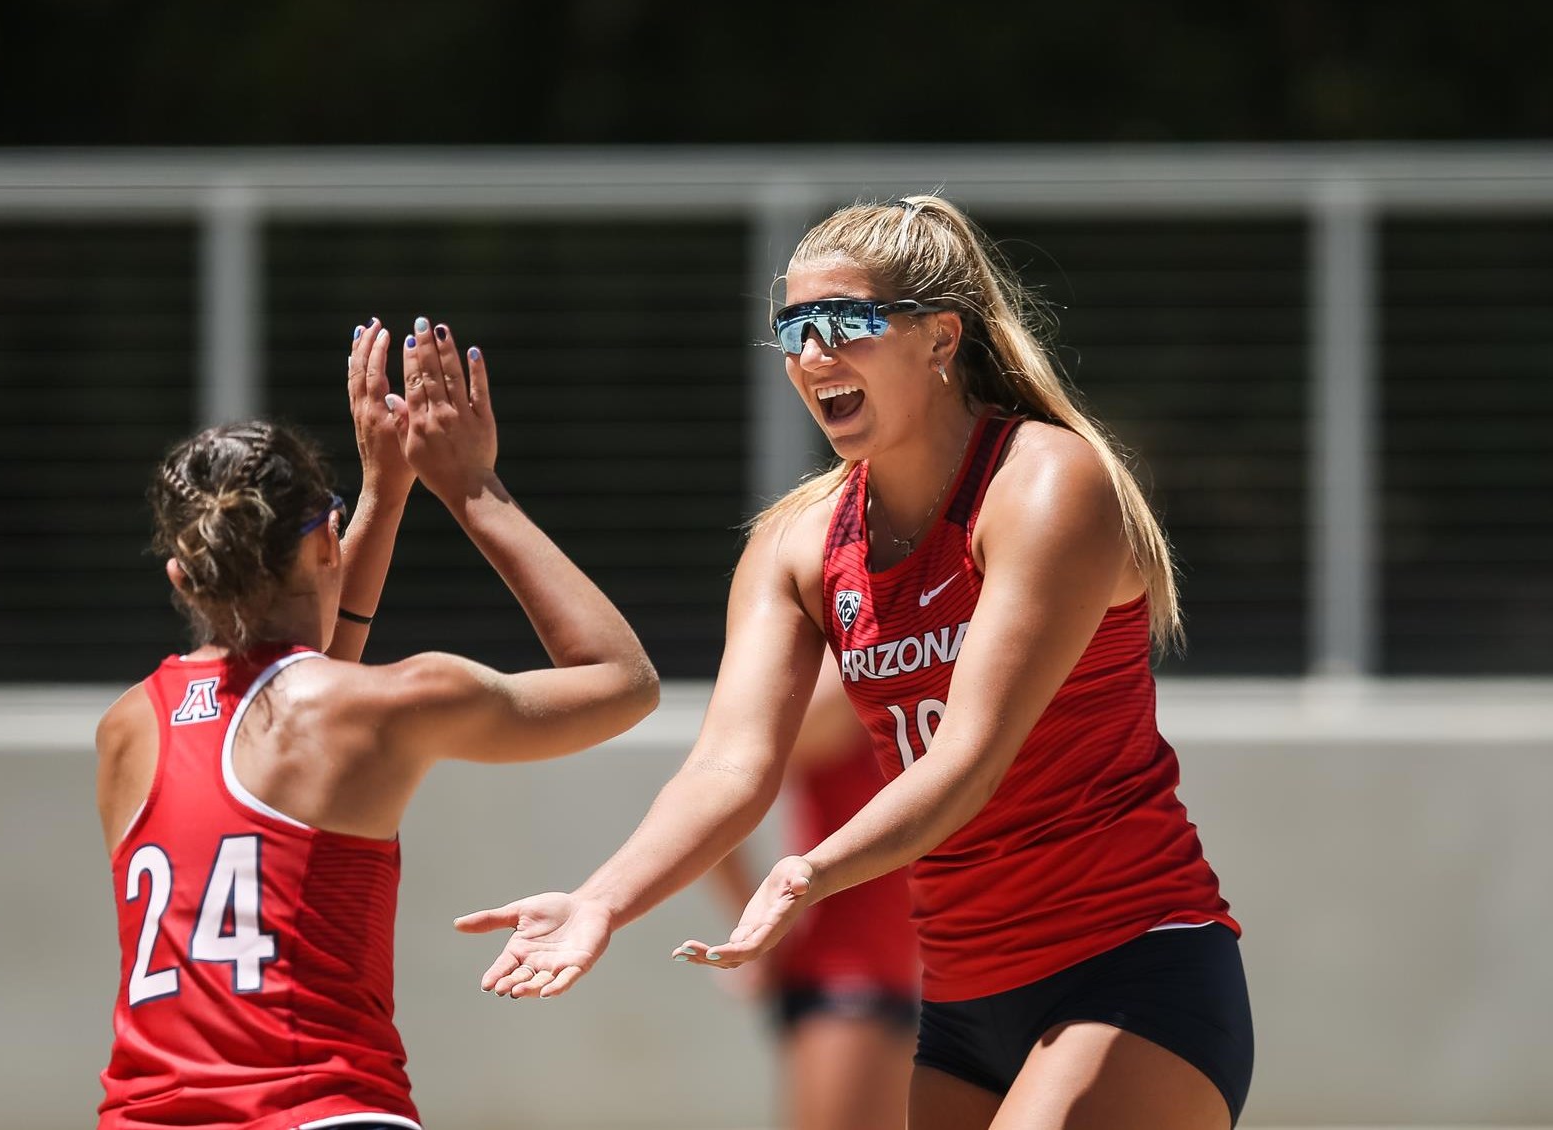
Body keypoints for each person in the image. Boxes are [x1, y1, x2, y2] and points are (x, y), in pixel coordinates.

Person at [458, 194, 1254, 1130]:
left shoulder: (1044, 483)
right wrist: (600, 901)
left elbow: (968, 761)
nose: (811, 355)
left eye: (845, 323)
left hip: (1128, 968)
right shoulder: (798, 542)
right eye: (792, 327)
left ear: (939, 338)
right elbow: (729, 765)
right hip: (962, 1000)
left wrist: (811, 870)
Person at [95, 316, 658, 1130]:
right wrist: (471, 490)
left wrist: (380, 499)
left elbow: (303, 678)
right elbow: (624, 682)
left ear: (184, 577)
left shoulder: (126, 728)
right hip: (320, 1109)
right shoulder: (389, 703)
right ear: (326, 541)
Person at [704, 660, 919, 1130]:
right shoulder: (844, 692)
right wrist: (758, 934)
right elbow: (714, 806)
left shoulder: (918, 693)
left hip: (909, 977)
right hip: (841, 976)